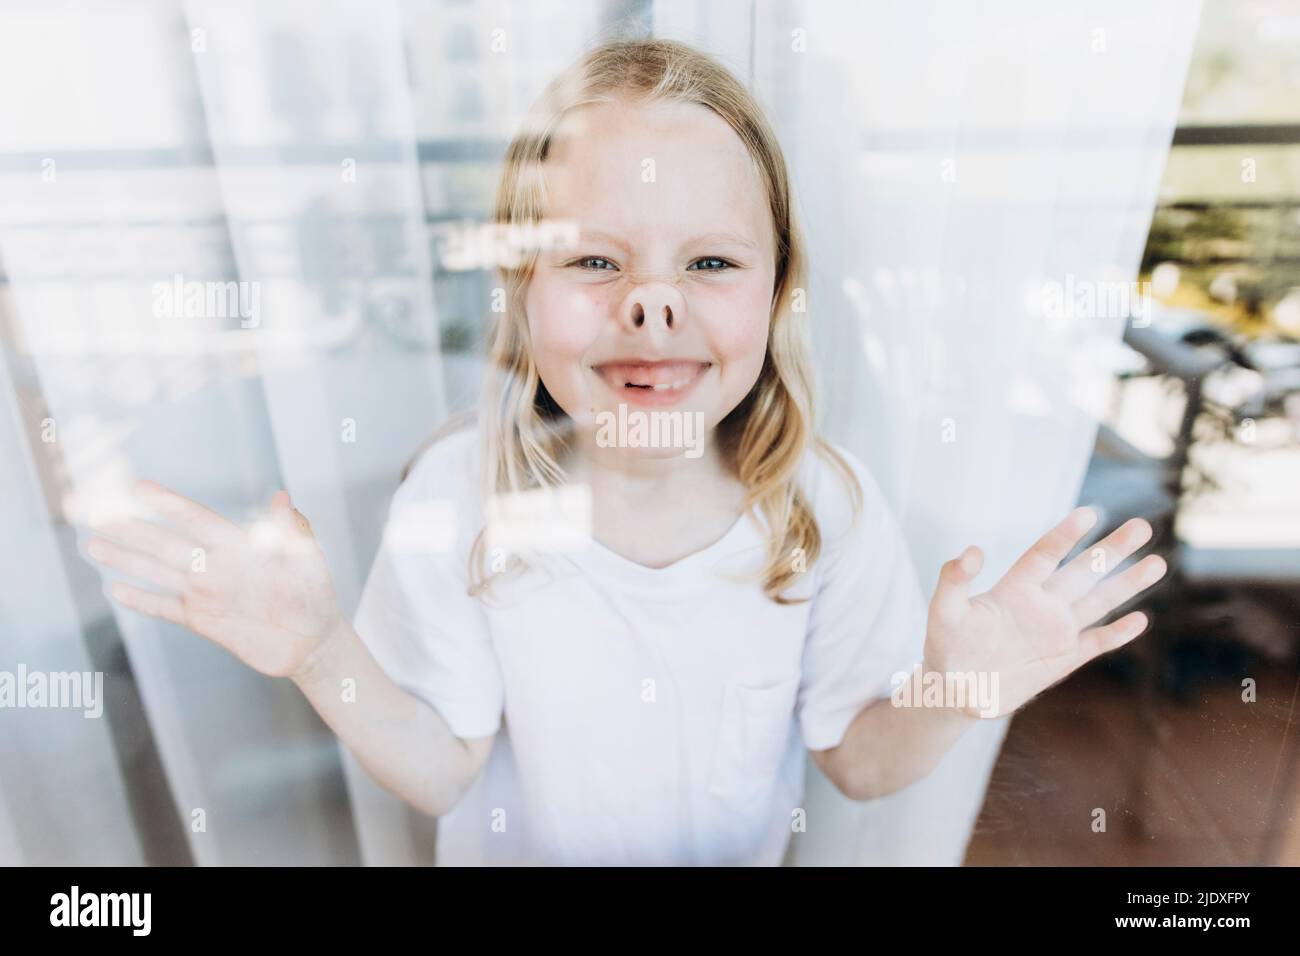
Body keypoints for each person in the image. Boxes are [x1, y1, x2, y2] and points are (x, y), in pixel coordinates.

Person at [83, 38, 1167, 866]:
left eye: (706, 260)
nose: (651, 306)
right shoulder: (457, 496)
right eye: (596, 259)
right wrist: (320, 645)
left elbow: (861, 758)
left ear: (778, 292)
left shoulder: (823, 506)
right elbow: (437, 763)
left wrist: (957, 690)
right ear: (521, 293)